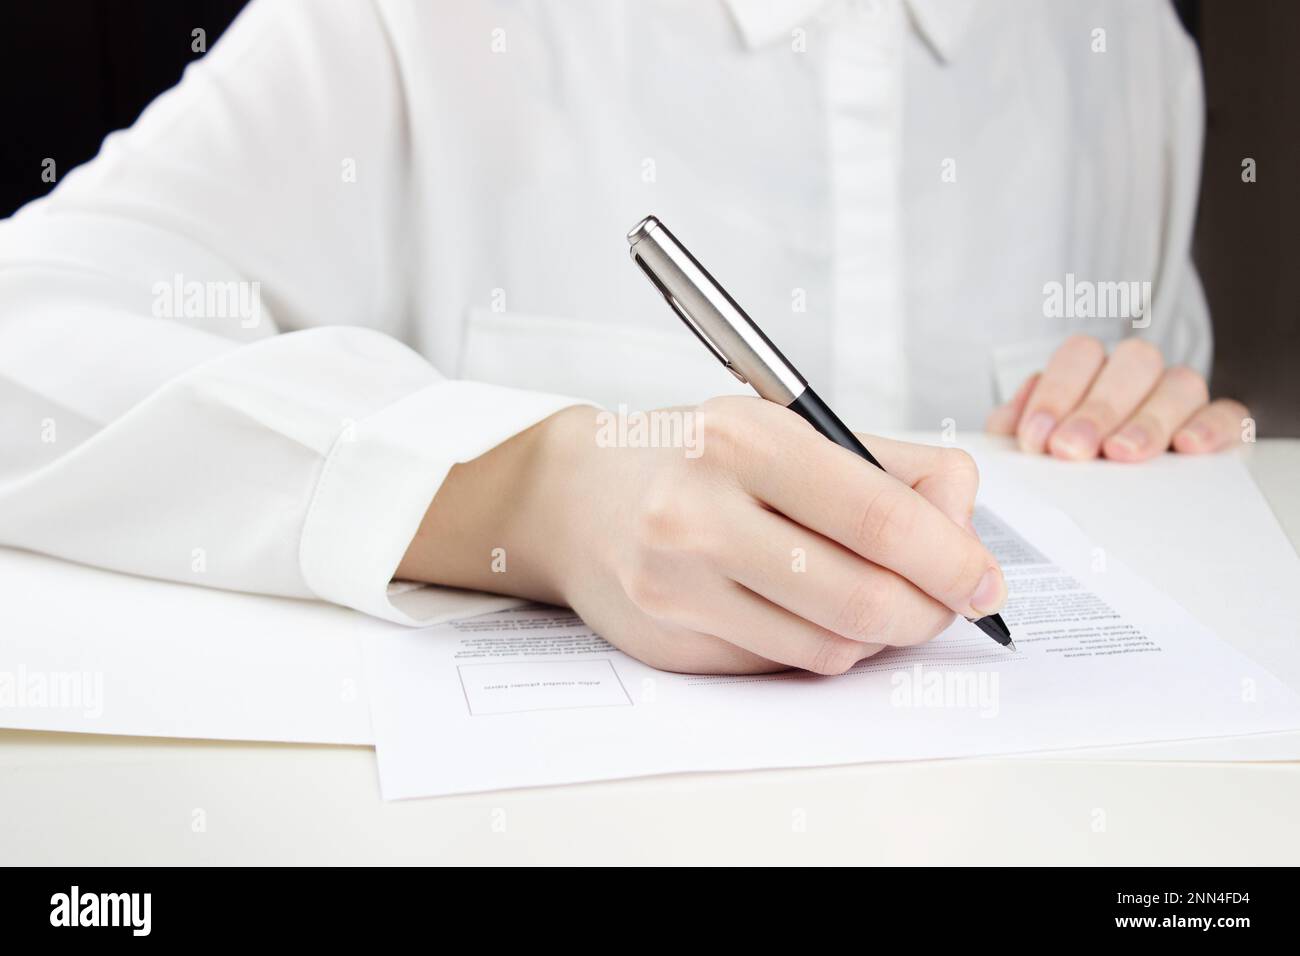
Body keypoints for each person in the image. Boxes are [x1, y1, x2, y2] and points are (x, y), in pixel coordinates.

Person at [0, 0, 1247, 674]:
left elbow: (1156, 398)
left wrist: (1133, 426)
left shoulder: (1125, 46)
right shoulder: (407, 27)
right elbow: (26, 325)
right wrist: (519, 488)